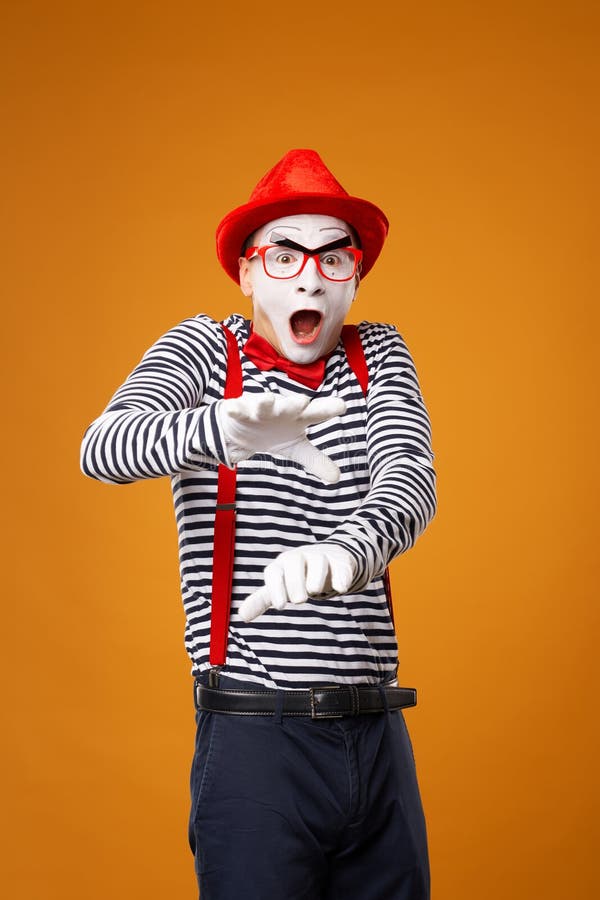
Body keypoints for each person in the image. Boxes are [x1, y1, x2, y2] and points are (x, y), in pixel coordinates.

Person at [80, 148, 437, 899]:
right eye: (284, 255)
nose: (310, 277)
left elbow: (409, 481)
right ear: (247, 273)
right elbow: (103, 448)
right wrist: (223, 429)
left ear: (355, 277)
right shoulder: (202, 351)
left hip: (378, 734)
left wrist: (350, 552)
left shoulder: (379, 354)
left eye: (333, 257)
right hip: (255, 741)